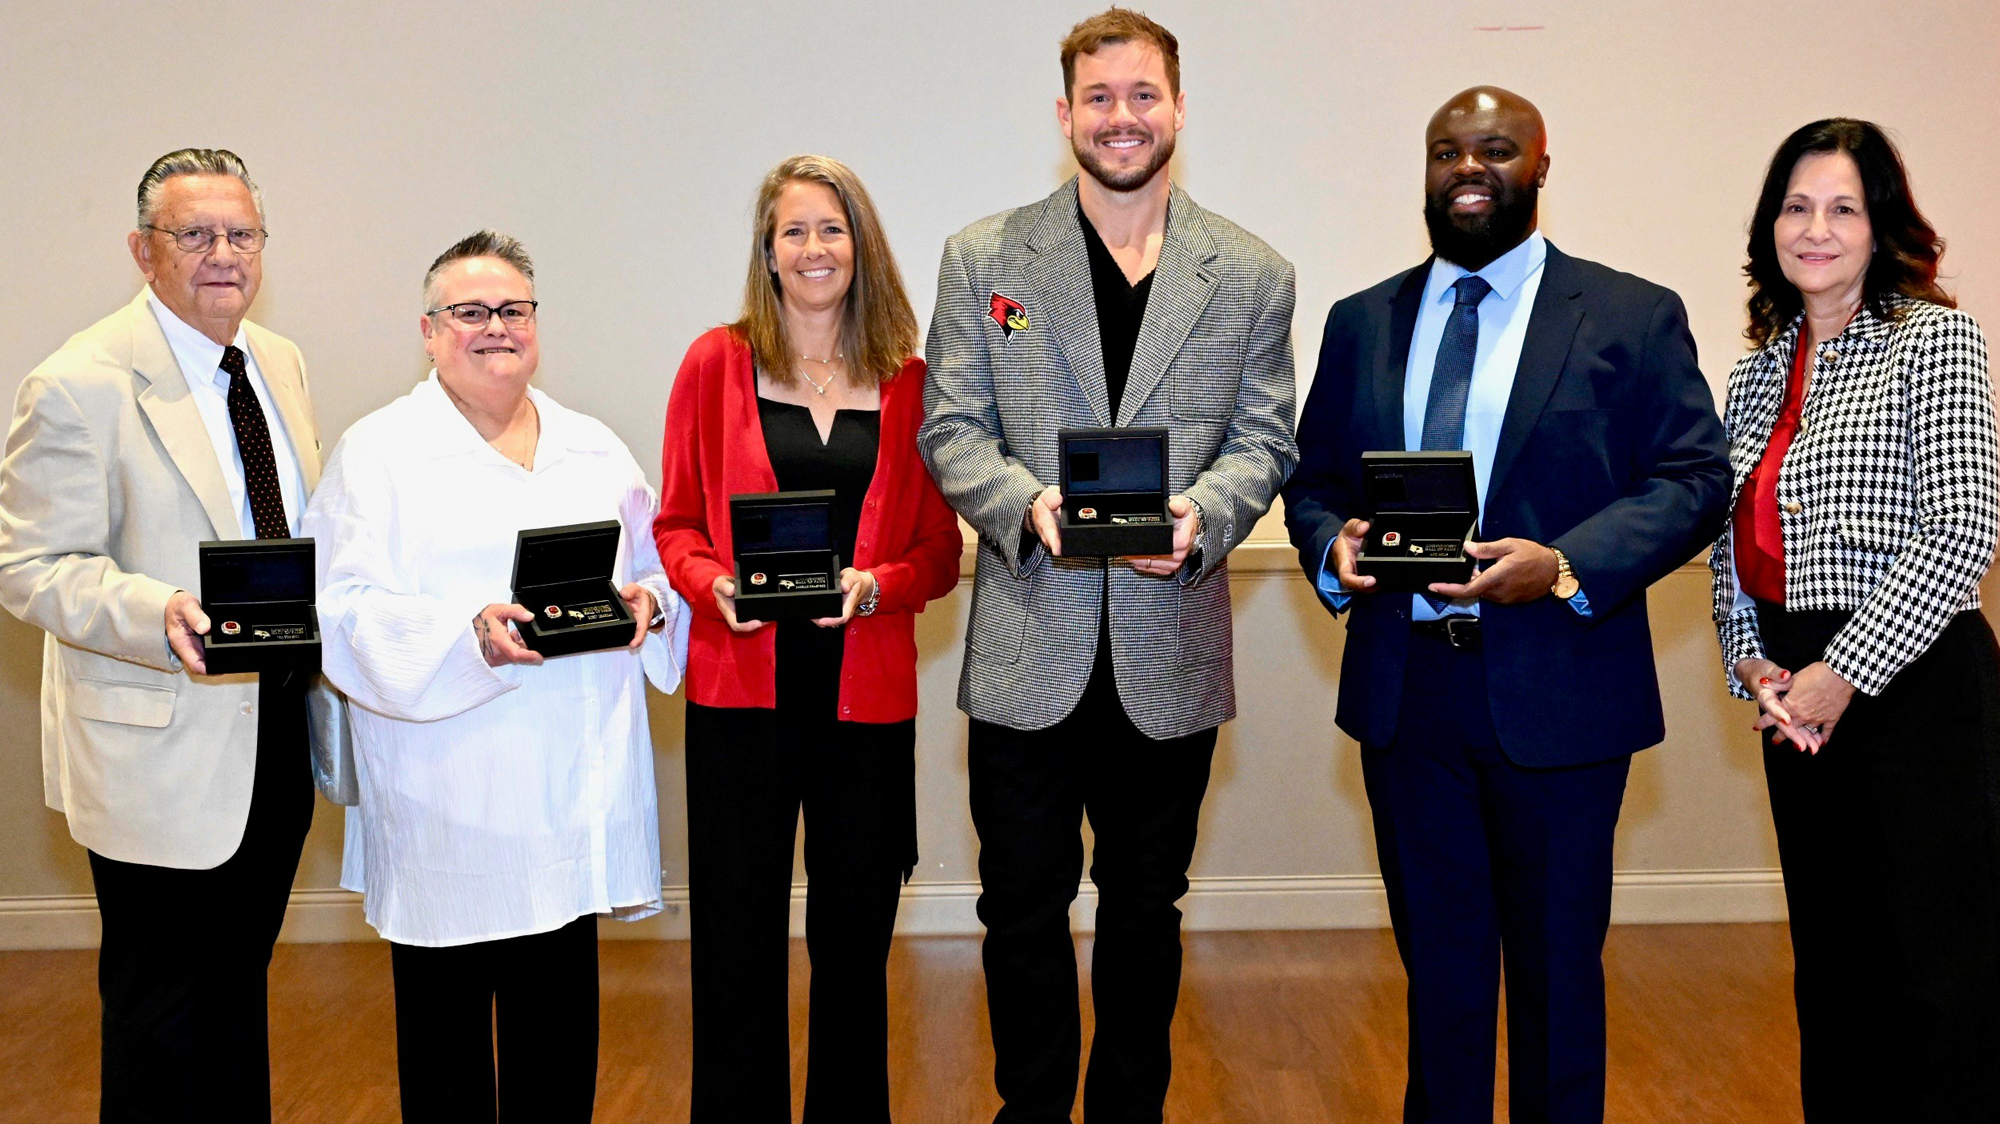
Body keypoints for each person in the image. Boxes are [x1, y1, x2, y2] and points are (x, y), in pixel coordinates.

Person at [1283, 87, 1730, 1124]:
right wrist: (1328, 544)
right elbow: (1312, 484)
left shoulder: (1628, 313)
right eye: (1446, 151)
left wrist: (1562, 564)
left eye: (1492, 149)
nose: (1466, 168)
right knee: (1437, 980)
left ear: (1538, 162)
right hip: (1408, 698)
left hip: (1559, 697)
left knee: (1554, 981)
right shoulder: (1362, 321)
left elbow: (1692, 479)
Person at [918, 10, 1297, 1121]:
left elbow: (1265, 440)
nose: (1120, 117)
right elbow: (951, 428)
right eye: (1098, 97)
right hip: (1027, 643)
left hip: (1165, 643)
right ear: (1062, 113)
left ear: (1177, 108)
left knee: (1146, 907)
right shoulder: (985, 258)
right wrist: (1024, 503)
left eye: (1141, 96)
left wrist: (1200, 514)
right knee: (1018, 908)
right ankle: (1029, 1109)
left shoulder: (1251, 274)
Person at [300, 231, 688, 1124]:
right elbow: (340, 606)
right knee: (446, 1055)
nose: (495, 328)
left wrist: (650, 608)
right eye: (469, 313)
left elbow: (659, 573)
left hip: (570, 786)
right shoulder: (378, 453)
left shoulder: (593, 448)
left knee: (559, 1043)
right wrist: (464, 636)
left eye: (513, 310)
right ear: (429, 332)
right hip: (448, 796)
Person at [0, 149, 319, 1124]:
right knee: (161, 1011)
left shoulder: (280, 361)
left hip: (273, 727)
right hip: (155, 746)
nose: (223, 254)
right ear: (143, 250)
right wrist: (157, 609)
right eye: (196, 234)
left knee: (235, 990)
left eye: (242, 233)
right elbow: (28, 565)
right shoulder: (77, 382)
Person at [653, 154, 961, 1123]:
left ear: (860, 246)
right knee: (736, 938)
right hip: (740, 696)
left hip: (863, 705)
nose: (814, 247)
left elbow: (939, 552)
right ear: (767, 250)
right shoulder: (713, 362)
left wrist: (876, 588)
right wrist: (713, 586)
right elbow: (674, 525)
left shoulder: (910, 383)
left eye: (831, 228)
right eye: (794, 230)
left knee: (854, 942)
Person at [1709, 118, 2000, 1121]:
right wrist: (1749, 662)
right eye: (1795, 206)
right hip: (1790, 701)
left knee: (1935, 966)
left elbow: (1964, 527)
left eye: (1842, 207)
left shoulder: (1932, 337)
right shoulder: (1753, 371)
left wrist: (1839, 670)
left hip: (1913, 685)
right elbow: (1727, 543)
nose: (1815, 228)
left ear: (1880, 228)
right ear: (1768, 226)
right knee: (1831, 963)